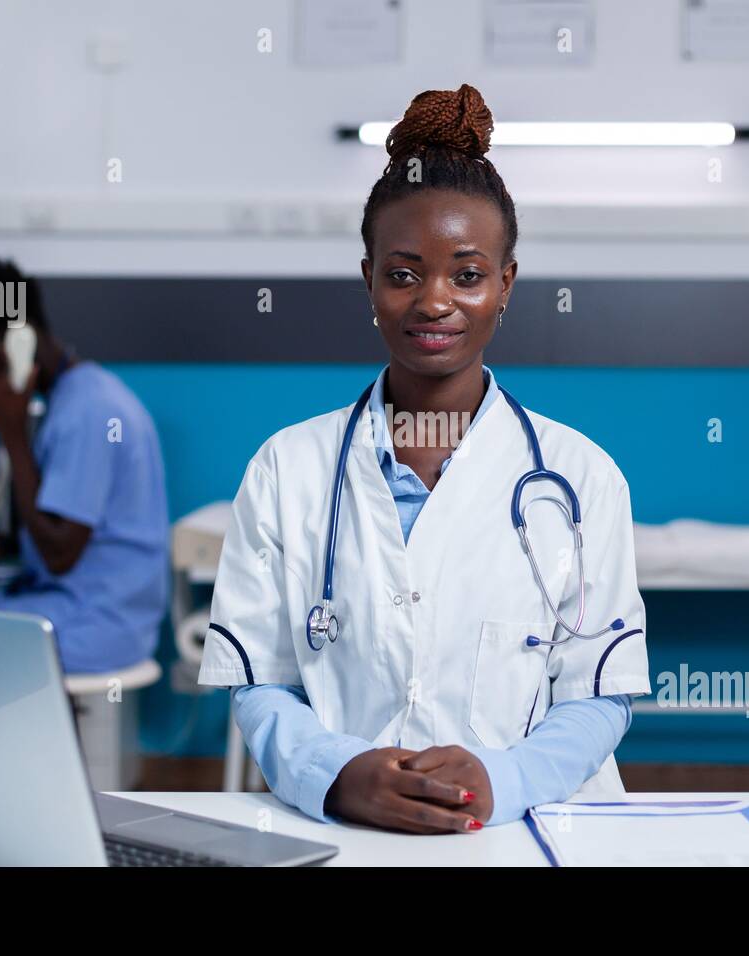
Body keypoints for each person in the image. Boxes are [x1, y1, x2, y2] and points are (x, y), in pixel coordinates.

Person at [198, 85, 649, 833]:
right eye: (403, 274)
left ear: (505, 285)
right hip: (345, 831)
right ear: (369, 281)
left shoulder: (580, 478)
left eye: (467, 275)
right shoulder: (287, 468)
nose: (434, 300)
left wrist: (504, 778)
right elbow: (258, 680)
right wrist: (335, 773)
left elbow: (601, 692)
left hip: (529, 829)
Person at [0, 258, 169, 674]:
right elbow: (72, 531)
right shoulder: (74, 398)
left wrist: (13, 434)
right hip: (90, 608)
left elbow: (60, 554)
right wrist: (2, 544)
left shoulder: (88, 411)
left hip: (98, 623)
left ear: (18, 338)